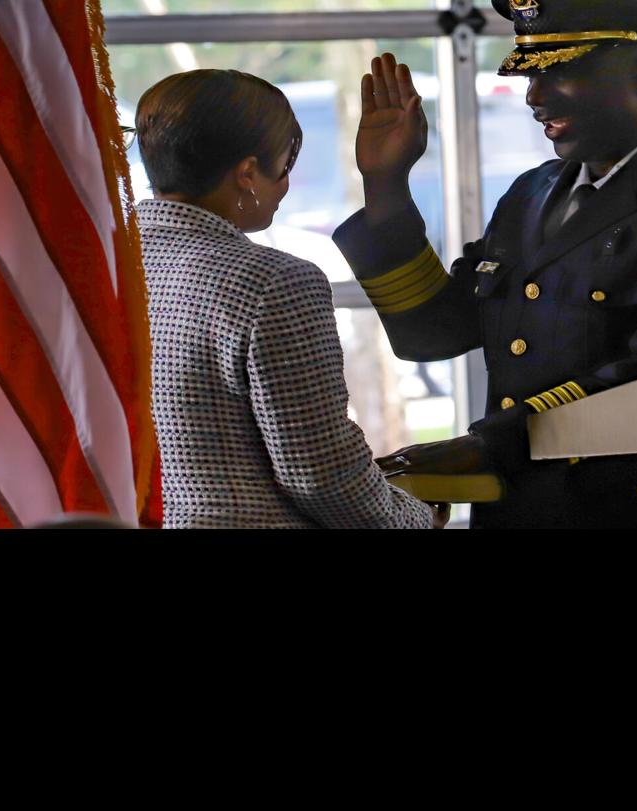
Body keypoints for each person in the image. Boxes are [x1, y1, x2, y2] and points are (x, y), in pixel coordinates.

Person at [334, 0, 637, 528]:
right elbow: (432, 334)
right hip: (518, 509)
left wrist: (490, 446)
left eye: (561, 72)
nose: (534, 96)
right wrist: (386, 186)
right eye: (532, 74)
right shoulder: (532, 193)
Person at [135, 70, 439, 528]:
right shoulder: (272, 283)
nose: (285, 187)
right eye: (283, 168)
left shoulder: (106, 264)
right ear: (247, 173)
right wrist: (413, 520)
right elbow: (317, 471)